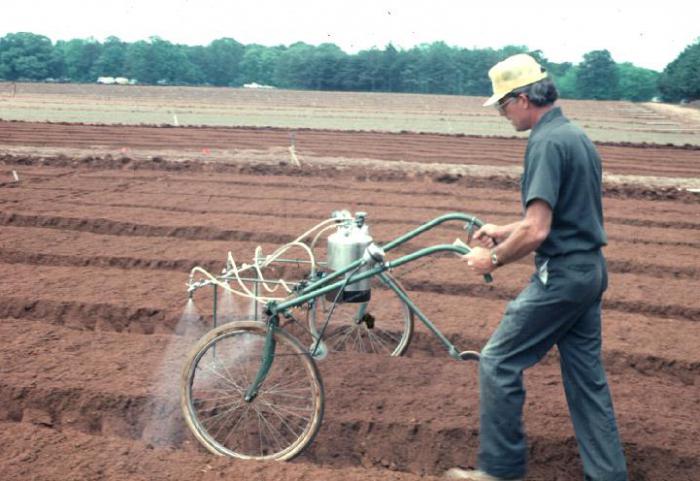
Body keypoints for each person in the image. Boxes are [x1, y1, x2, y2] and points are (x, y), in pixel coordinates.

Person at [445, 54, 628, 481]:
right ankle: (608, 476)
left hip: (562, 277)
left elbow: (539, 231)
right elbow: (561, 216)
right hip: (589, 271)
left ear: (524, 98)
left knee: (497, 361)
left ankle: (499, 472)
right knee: (587, 382)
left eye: (504, 105)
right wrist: (504, 228)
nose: (503, 114)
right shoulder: (574, 135)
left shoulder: (544, 143)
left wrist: (490, 257)